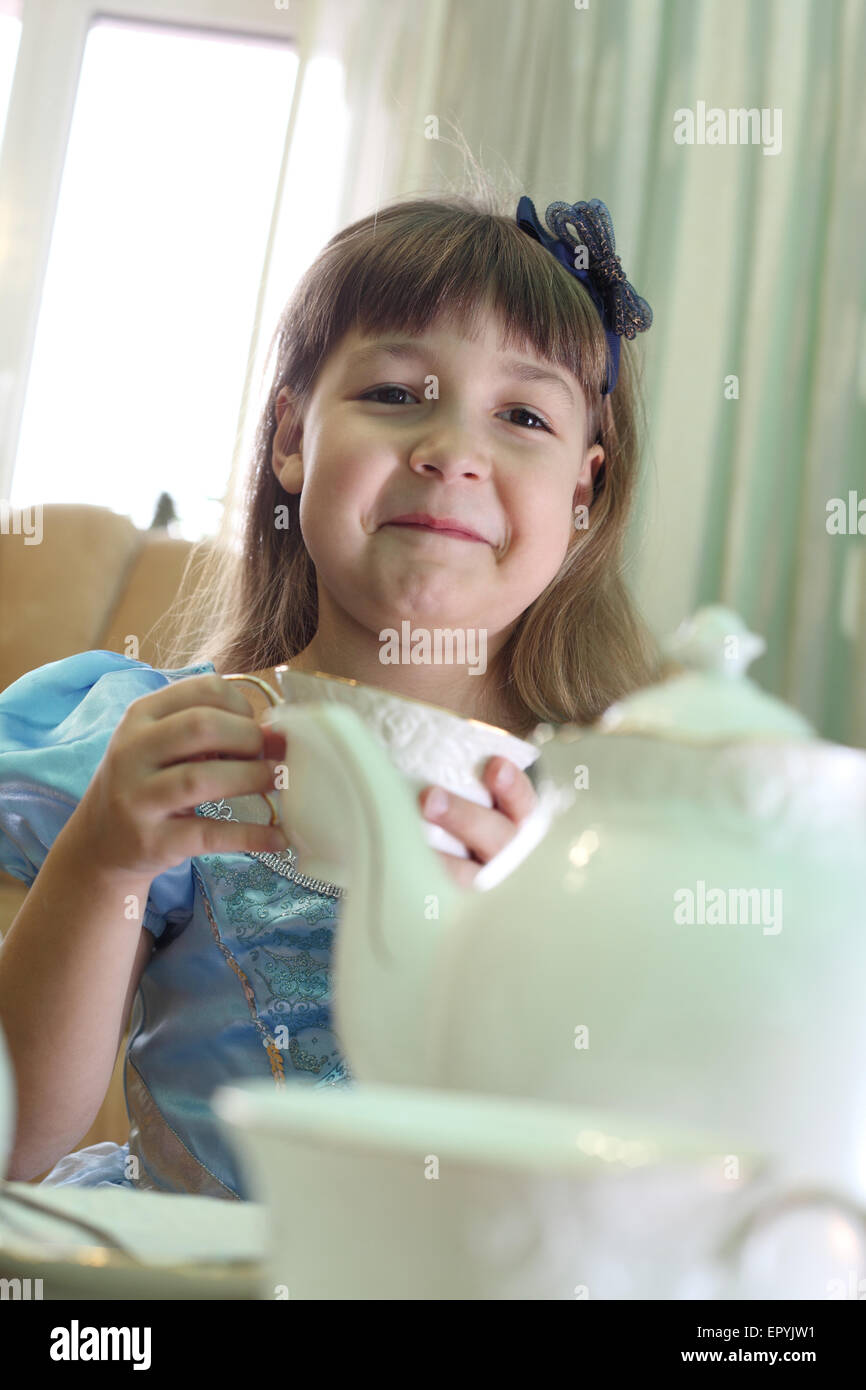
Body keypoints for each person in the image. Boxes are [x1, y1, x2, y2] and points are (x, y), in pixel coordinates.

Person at [0, 181, 657, 1200]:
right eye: (397, 394)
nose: (452, 452)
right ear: (292, 436)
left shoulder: (615, 816)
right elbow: (18, 1142)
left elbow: (635, 1184)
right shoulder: (176, 749)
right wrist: (101, 856)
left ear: (582, 490)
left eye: (521, 414)